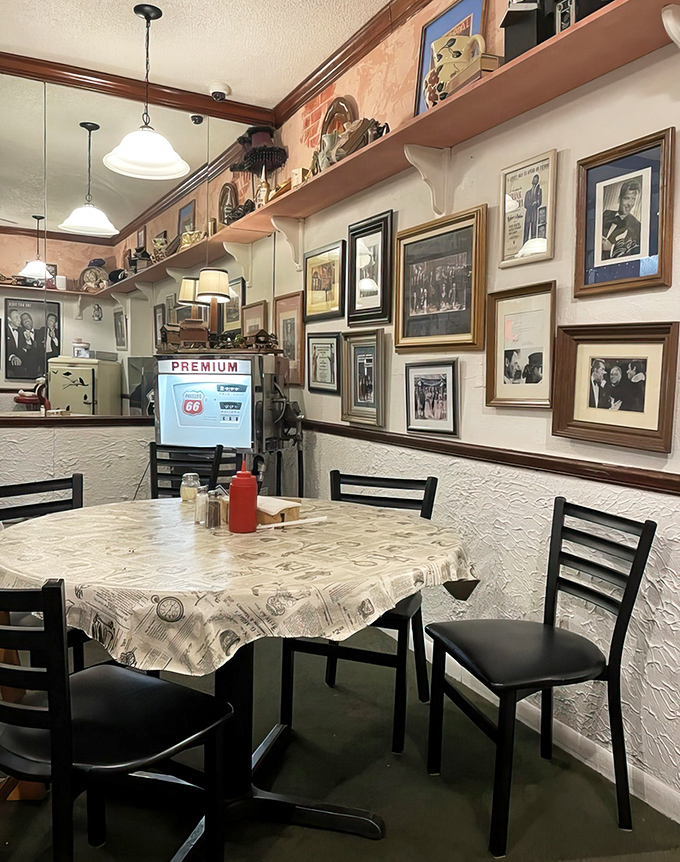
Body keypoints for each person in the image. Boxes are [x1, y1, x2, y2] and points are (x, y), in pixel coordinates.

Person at [602, 179, 642, 260]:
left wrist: (612, 248)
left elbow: (634, 255)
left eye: (633, 199)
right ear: (619, 199)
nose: (630, 204)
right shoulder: (605, 214)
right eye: (627, 198)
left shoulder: (637, 227)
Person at [20, 312, 43, 379]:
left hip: (42, 364)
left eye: (28, 318)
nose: (26, 320)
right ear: (22, 324)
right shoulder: (20, 335)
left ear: (31, 320)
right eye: (24, 319)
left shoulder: (41, 332)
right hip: (29, 367)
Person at [523, 173, 542, 244]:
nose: (535, 181)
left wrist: (536, 202)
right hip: (528, 213)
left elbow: (540, 202)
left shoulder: (539, 191)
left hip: (534, 213)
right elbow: (525, 204)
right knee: (526, 230)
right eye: (534, 180)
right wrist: (531, 204)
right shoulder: (528, 193)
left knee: (533, 230)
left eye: (536, 180)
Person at [5, 309, 25, 376]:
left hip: (21, 362)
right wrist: (12, 357)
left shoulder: (22, 331)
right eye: (16, 317)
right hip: (7, 363)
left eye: (19, 317)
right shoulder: (4, 330)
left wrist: (28, 340)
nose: (19, 320)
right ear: (9, 319)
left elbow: (26, 348)